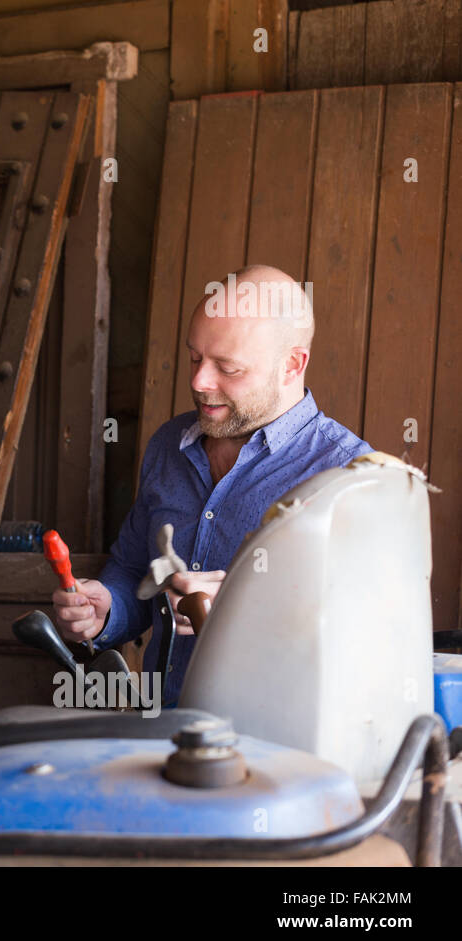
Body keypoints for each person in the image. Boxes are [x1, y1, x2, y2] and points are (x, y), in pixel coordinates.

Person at [52, 265, 372, 703]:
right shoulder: (169, 445)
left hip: (276, 750)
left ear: (292, 365)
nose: (199, 382)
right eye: (195, 357)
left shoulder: (350, 474)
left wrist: (242, 610)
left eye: (228, 367)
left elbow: (368, 635)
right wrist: (106, 609)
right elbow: (133, 571)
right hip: (162, 729)